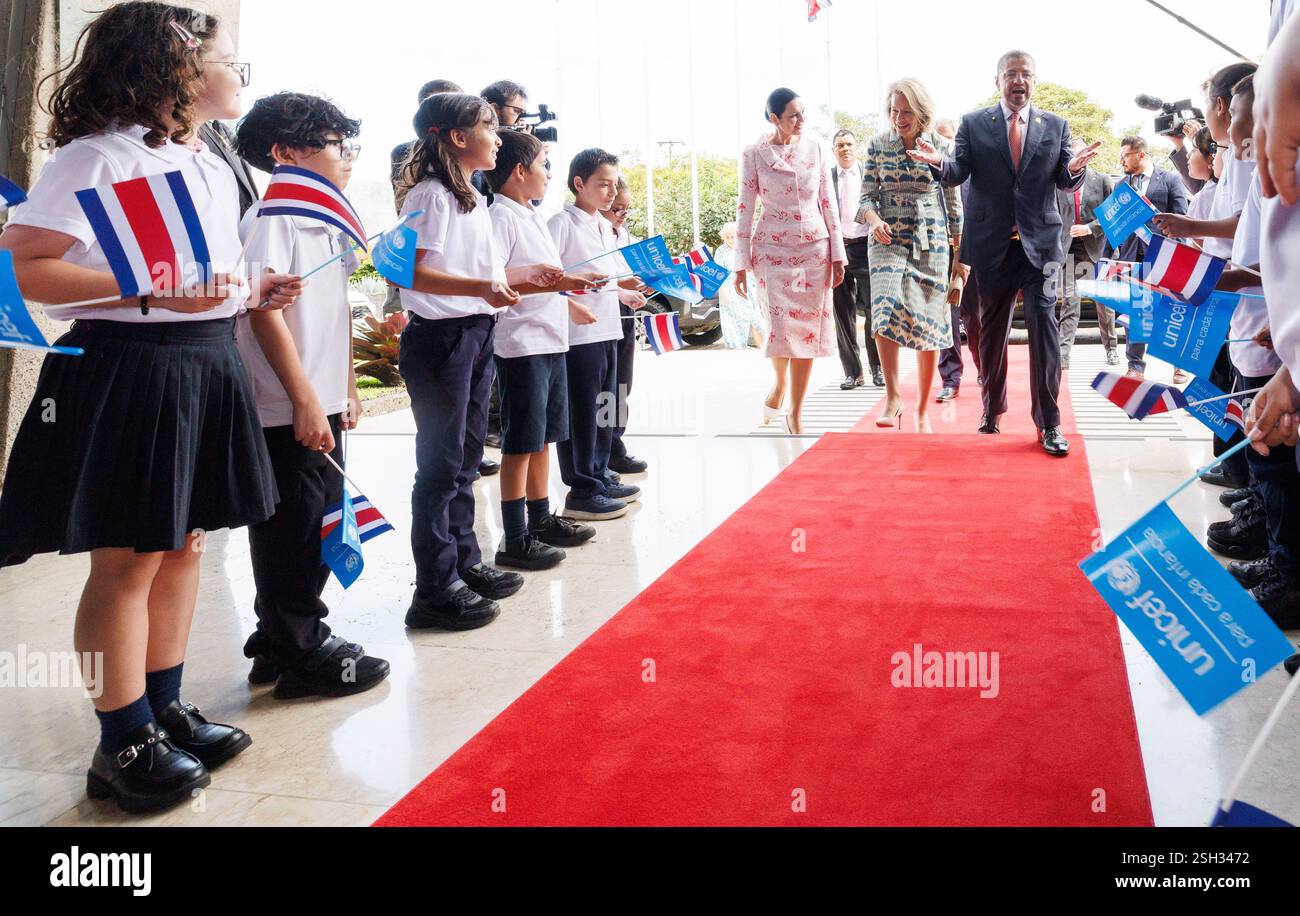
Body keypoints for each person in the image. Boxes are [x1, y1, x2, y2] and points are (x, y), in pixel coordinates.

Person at [0, 2, 304, 813]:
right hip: (128, 369)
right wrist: (155, 288)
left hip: (203, 364)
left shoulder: (209, 161)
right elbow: (25, 272)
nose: (240, 76)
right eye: (229, 61)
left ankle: (164, 709)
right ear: (171, 67)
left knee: (185, 545)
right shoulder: (94, 158)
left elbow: (197, 277)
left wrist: (244, 289)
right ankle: (120, 738)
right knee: (128, 559)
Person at [232, 92, 391, 699]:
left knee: (318, 516)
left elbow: (334, 312)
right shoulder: (273, 219)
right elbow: (263, 314)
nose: (346, 156)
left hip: (320, 395)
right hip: (283, 401)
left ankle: (275, 640)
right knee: (291, 525)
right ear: (285, 153)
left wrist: (344, 386)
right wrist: (301, 399)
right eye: (333, 144)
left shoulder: (323, 221)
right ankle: (300, 651)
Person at [395, 92, 559, 630]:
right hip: (441, 338)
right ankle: (434, 587)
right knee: (440, 466)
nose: (500, 133)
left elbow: (482, 276)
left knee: (465, 459)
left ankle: (465, 563)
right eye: (491, 125)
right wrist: (481, 288)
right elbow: (407, 272)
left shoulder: (470, 195)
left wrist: (521, 280)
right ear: (459, 138)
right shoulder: (430, 195)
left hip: (473, 331)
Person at [908, 49, 1099, 456]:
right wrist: (937, 163)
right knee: (990, 334)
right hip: (991, 247)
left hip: (1042, 249)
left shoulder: (1056, 126)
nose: (1018, 81)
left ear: (1034, 80)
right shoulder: (975, 123)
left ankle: (1049, 424)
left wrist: (1077, 167)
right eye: (1010, 74)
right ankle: (992, 409)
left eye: (1025, 74)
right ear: (997, 80)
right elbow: (957, 170)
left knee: (1044, 331)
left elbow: (1065, 180)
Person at [486, 130, 602, 568]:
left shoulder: (531, 215)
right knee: (519, 444)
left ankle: (540, 519)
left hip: (549, 339)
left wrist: (569, 299)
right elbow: (496, 278)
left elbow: (545, 278)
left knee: (543, 439)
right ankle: (514, 537)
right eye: (544, 166)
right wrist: (551, 282)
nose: (549, 174)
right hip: (522, 345)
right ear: (519, 172)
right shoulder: (500, 218)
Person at [1153, 61, 1258, 490]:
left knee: (1246, 401)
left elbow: (1247, 228)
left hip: (1251, 295)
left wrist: (1192, 231)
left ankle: (1253, 495)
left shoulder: (1247, 157)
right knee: (1238, 389)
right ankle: (1248, 487)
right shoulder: (1239, 157)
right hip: (1240, 291)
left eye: (1232, 115)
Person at [734, 87, 846, 435]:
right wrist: (740, 263)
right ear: (774, 119)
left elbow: (828, 202)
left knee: (807, 331)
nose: (801, 121)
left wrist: (838, 255)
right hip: (771, 253)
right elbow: (745, 207)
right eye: (793, 115)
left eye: (803, 113)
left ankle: (796, 410)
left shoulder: (816, 149)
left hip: (815, 250)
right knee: (781, 331)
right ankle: (780, 384)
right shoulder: (754, 153)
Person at [856, 78, 962, 433]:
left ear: (921, 112)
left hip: (930, 239)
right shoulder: (876, 145)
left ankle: (920, 410)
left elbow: (954, 202)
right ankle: (892, 397)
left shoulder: (943, 146)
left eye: (905, 112)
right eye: (893, 111)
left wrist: (960, 259)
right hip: (886, 237)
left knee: (928, 322)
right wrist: (873, 221)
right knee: (882, 311)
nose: (898, 118)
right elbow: (866, 197)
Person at [549, 149, 643, 518]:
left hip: (608, 328)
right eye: (603, 184)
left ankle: (601, 471)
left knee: (606, 405)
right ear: (578, 184)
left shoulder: (603, 227)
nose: (610, 192)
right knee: (583, 410)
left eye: (613, 184)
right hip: (578, 333)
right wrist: (571, 301)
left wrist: (626, 284)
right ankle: (581, 486)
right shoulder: (562, 225)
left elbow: (615, 273)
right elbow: (550, 279)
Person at [1110, 135, 1189, 380]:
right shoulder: (1121, 186)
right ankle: (1135, 365)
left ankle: (1178, 364)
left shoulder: (1170, 179)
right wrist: (1108, 259)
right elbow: (1115, 226)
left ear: (1141, 155)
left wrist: (1180, 256)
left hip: (1165, 255)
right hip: (1133, 256)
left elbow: (1182, 219)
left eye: (1125, 155)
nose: (1121, 160)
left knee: (1171, 310)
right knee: (1136, 310)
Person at [600, 178, 651, 476]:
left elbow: (625, 274)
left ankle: (614, 444)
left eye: (627, 210)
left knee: (621, 384)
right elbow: (593, 280)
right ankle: (603, 450)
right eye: (617, 208)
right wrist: (620, 290)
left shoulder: (623, 234)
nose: (621, 214)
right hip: (603, 312)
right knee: (605, 388)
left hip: (624, 311)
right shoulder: (594, 231)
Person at [1052, 139, 1116, 369]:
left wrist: (1089, 228)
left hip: (1097, 248)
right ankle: (1063, 354)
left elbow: (1112, 216)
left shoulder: (1102, 180)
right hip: (1068, 248)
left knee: (1103, 303)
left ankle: (1111, 349)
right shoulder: (1060, 183)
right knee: (1070, 301)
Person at [830, 128, 883, 390]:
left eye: (849, 144)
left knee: (874, 311)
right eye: (840, 145)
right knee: (843, 313)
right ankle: (853, 372)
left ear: (856, 147)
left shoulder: (868, 175)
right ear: (834, 150)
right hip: (838, 252)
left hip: (865, 248)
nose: (845, 148)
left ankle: (877, 368)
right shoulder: (827, 178)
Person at [716, 221, 766, 348]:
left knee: (756, 317)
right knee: (734, 320)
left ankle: (763, 347)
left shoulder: (746, 248)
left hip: (749, 286)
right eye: (728, 237)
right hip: (730, 289)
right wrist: (723, 293)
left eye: (733, 236)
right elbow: (718, 274)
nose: (731, 239)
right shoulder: (721, 251)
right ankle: (736, 347)